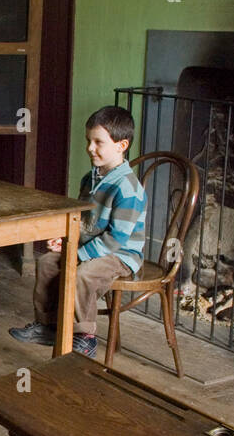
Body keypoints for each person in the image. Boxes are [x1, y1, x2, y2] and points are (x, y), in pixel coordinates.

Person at [10, 105, 147, 358]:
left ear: (122, 145)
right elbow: (80, 220)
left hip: (121, 255)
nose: (90, 148)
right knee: (48, 262)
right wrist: (66, 241)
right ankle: (48, 325)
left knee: (82, 274)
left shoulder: (128, 187)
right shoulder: (90, 178)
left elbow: (116, 239)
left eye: (98, 142)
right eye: (88, 141)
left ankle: (85, 336)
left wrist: (79, 255)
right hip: (91, 246)